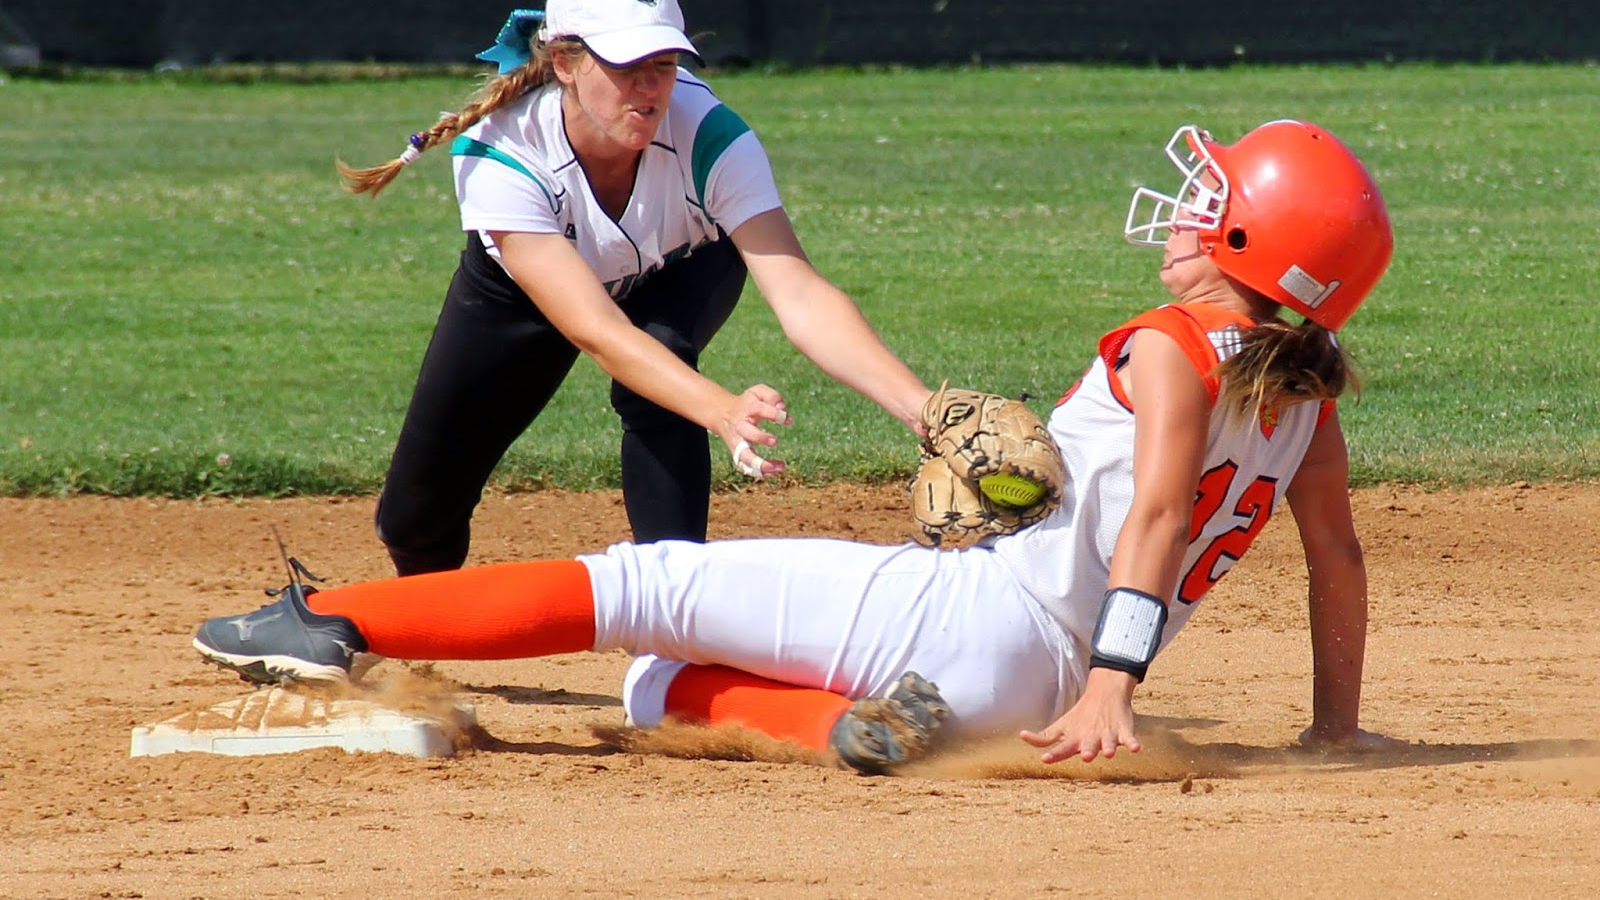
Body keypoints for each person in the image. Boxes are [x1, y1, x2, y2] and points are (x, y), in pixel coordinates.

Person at [195, 119, 1397, 773]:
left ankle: (337, 621)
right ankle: (842, 730)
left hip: (981, 627)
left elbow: (1157, 520)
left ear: (1248, 240)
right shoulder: (1306, 400)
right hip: (1008, 689)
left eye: (1215, 199)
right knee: (654, 682)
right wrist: (1334, 727)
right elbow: (1337, 561)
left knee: (645, 584)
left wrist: (1109, 690)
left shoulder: (1168, 344)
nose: (1188, 209)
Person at [340, 0, 931, 574]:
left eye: (666, 62)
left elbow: (802, 295)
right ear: (565, 63)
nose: (650, 88)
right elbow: (594, 329)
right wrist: (721, 410)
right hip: (523, 295)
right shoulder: (502, 151)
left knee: (663, 363)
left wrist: (924, 411)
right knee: (414, 516)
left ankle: (675, 616)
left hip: (685, 264)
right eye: (626, 65)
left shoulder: (712, 138)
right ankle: (423, 643)